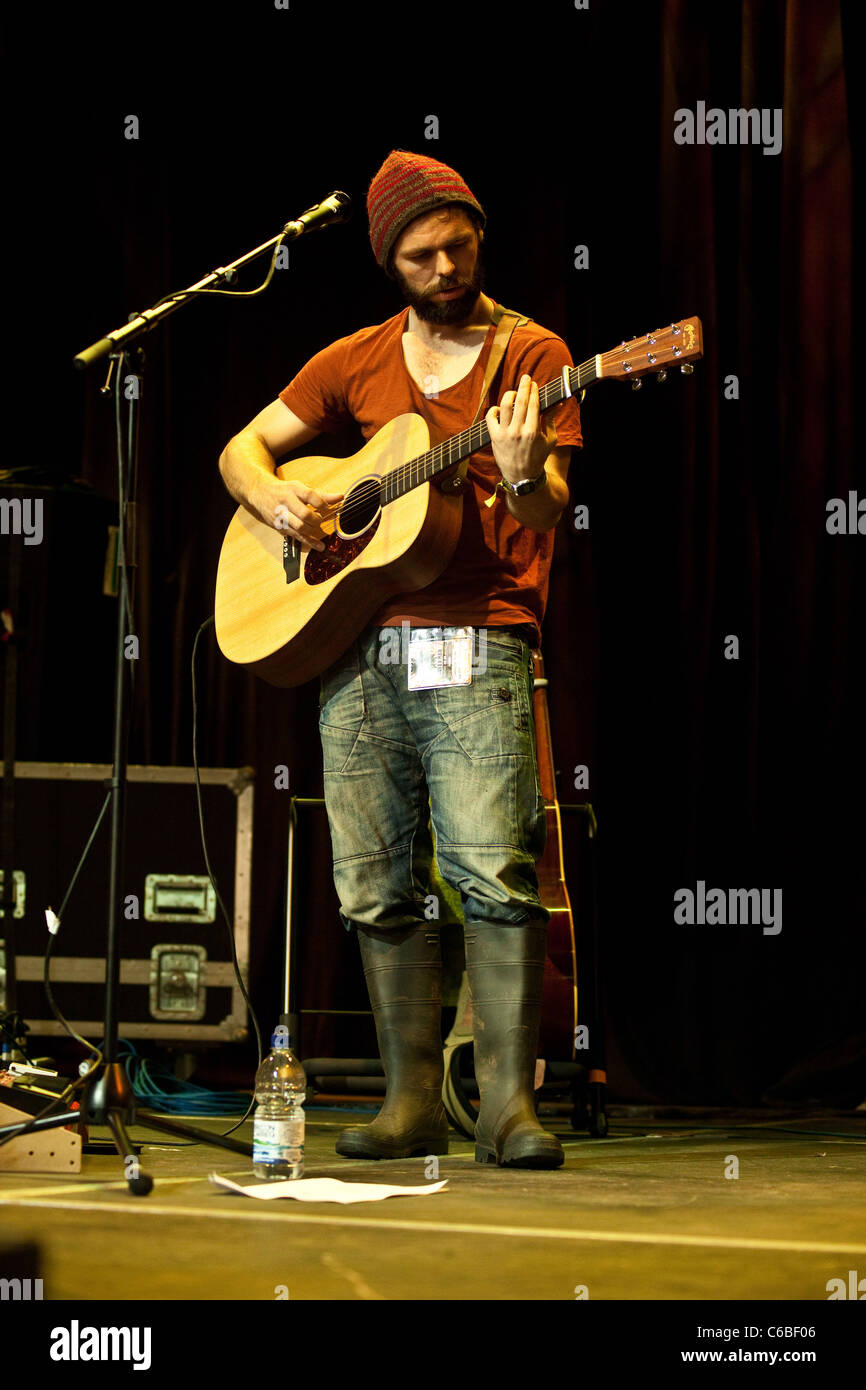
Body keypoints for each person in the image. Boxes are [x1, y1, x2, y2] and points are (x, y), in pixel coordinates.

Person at [219, 150, 583, 1168]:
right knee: (371, 880)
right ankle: (408, 1103)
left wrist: (519, 476)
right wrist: (278, 498)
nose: (444, 265)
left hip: (477, 636)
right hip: (357, 647)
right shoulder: (358, 358)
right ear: (391, 260)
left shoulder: (531, 354)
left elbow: (547, 507)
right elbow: (239, 448)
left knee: (489, 871)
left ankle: (506, 1108)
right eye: (421, 253)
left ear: (478, 237)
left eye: (458, 244)